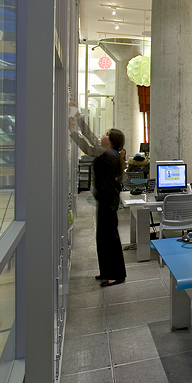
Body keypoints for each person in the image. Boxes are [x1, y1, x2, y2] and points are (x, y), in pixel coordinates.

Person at [69, 115, 127, 286]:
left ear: (112, 141)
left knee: (109, 238)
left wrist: (77, 123)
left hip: (108, 201)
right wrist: (75, 127)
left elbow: (90, 144)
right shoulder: (109, 153)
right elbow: (90, 144)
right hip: (105, 200)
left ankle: (116, 274)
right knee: (102, 237)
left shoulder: (109, 154)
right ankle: (106, 271)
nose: (103, 135)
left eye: (107, 134)